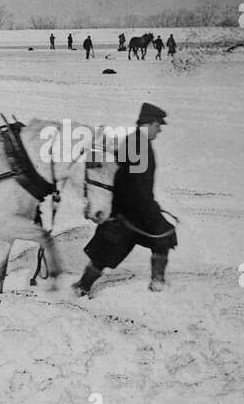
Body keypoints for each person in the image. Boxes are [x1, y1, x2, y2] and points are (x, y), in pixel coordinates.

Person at [73, 103, 176, 296]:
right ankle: (157, 283)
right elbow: (131, 181)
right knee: (110, 252)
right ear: (147, 124)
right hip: (132, 211)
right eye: (157, 125)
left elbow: (124, 169)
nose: (159, 130)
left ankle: (157, 282)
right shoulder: (137, 143)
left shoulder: (137, 141)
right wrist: (145, 207)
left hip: (133, 209)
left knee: (160, 237)